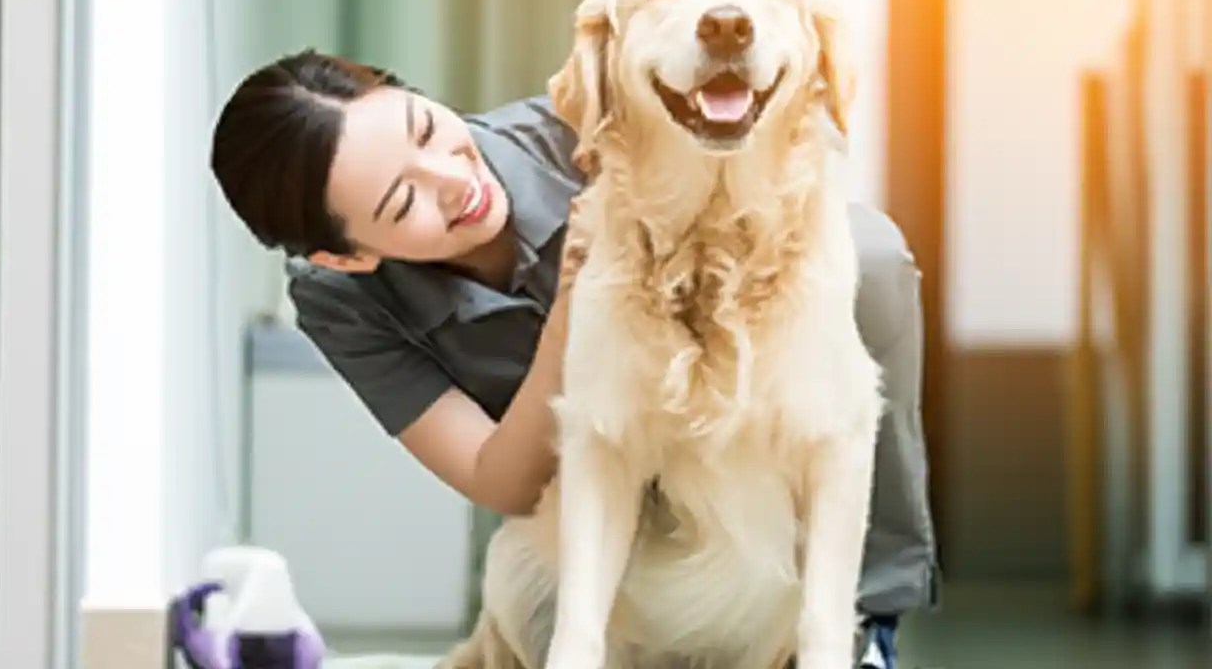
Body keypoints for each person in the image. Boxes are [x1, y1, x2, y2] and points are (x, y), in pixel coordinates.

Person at [209, 49, 938, 669]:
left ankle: (870, 623)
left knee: (869, 257)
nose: (452, 181)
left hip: (740, 464)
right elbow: (499, 479)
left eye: (427, 129)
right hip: (583, 512)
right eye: (405, 204)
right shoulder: (342, 301)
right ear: (348, 254)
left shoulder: (586, 132)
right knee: (530, 595)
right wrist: (571, 316)